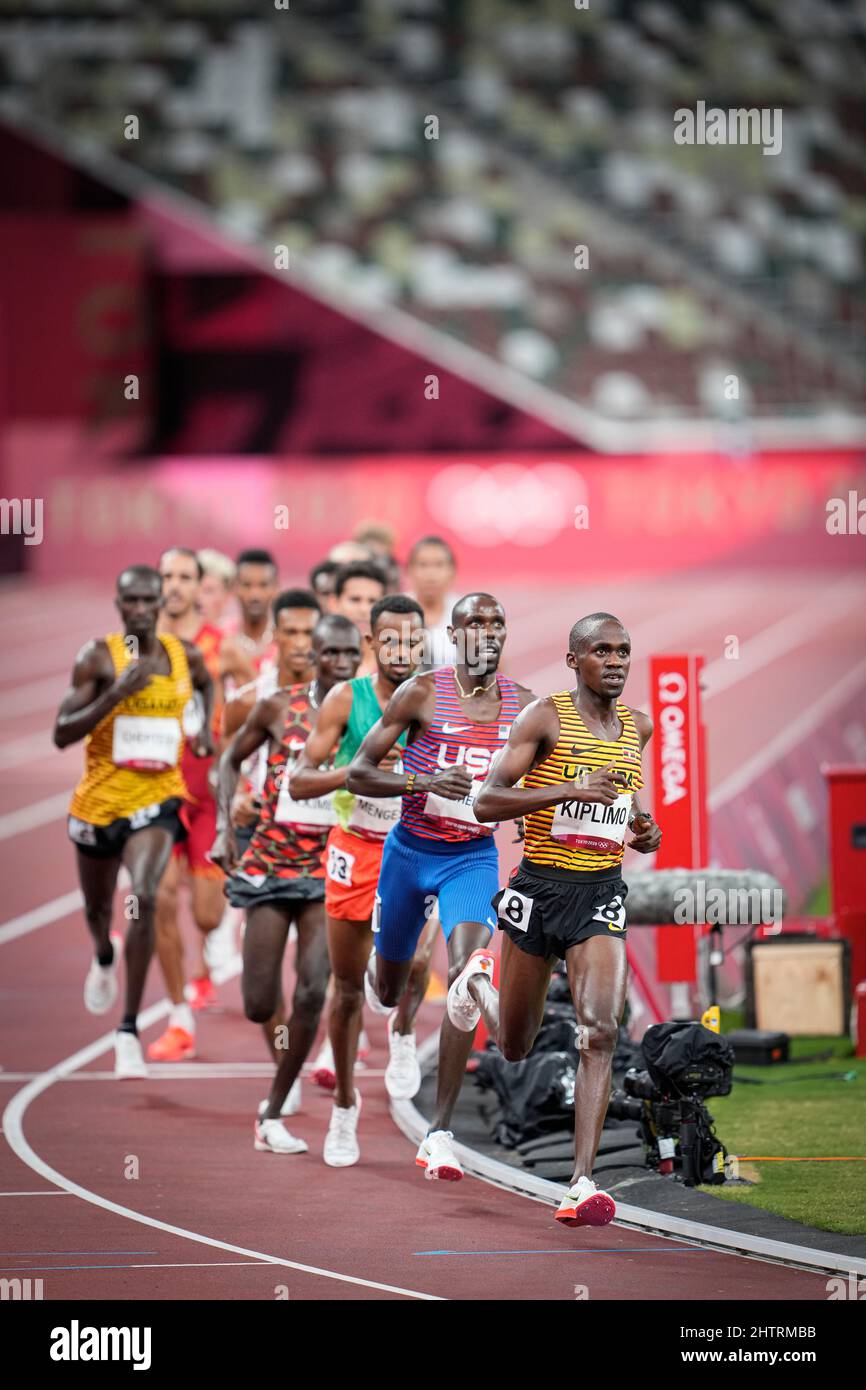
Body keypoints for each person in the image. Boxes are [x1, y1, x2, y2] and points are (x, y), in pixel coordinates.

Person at [449, 613, 661, 1227]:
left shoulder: (637, 727)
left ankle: (581, 1181)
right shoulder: (543, 716)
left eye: (624, 650)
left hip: (599, 893)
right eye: (602, 651)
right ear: (575, 660)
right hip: (540, 890)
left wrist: (642, 828)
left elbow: (621, 799)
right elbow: (487, 801)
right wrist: (567, 795)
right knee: (514, 1047)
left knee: (600, 1032)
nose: (617, 661)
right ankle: (475, 982)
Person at [346, 593, 534, 1180]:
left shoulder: (527, 709)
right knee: (387, 981)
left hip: (471, 860)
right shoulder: (422, 692)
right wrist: (423, 780)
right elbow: (359, 772)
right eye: (474, 622)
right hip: (408, 853)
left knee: (469, 969)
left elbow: (540, 782)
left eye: (497, 621)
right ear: (452, 636)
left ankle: (439, 1132)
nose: (487, 631)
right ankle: (394, 1010)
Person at [289, 595, 433, 1166]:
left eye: (411, 641)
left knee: (417, 963)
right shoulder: (345, 701)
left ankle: (402, 1032)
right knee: (347, 987)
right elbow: (299, 783)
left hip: (419, 847)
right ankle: (345, 1105)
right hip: (356, 848)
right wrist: (358, 774)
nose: (401, 651)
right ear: (372, 645)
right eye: (390, 640)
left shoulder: (441, 699)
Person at [211, 610, 362, 1154]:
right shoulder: (279, 707)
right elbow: (229, 760)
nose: (341, 663)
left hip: (332, 867)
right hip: (273, 863)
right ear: (311, 655)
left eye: (351, 654)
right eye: (331, 653)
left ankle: (273, 1109)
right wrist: (228, 827)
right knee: (258, 1001)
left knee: (313, 990)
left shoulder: (370, 713)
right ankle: (284, 1058)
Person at [54, 565, 213, 1078]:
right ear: (119, 605)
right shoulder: (98, 657)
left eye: (150, 600)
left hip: (159, 800)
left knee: (144, 896)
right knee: (101, 912)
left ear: (161, 601)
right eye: (132, 601)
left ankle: (128, 1029)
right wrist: (115, 695)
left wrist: (203, 729)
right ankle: (104, 955)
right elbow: (61, 733)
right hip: (100, 806)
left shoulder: (181, 654)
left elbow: (206, 686)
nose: (141, 609)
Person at [146, 547, 236, 1061]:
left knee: (205, 916)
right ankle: (178, 1017)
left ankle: (213, 949)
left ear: (200, 585)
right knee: (157, 900)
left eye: (184, 576)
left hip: (207, 794)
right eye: (167, 576)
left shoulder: (225, 649)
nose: (174, 585)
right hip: (155, 792)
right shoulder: (139, 647)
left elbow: (247, 716)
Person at [221, 548, 280, 686]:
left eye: (263, 585)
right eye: (247, 585)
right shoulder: (221, 637)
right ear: (234, 588)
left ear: (276, 588)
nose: (255, 595)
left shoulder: (284, 639)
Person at [406, 536, 460, 670]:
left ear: (452, 571)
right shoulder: (395, 611)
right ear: (410, 570)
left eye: (439, 565)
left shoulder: (467, 613)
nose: (431, 574)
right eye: (423, 565)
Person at [328, 561, 386, 677]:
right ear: (334, 603)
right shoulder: (316, 666)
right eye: (355, 599)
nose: (364, 609)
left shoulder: (396, 665)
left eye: (372, 601)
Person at [197, 549, 236, 629]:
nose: (199, 597)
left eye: (208, 591)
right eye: (196, 589)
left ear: (227, 597)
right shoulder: (172, 636)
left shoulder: (234, 637)